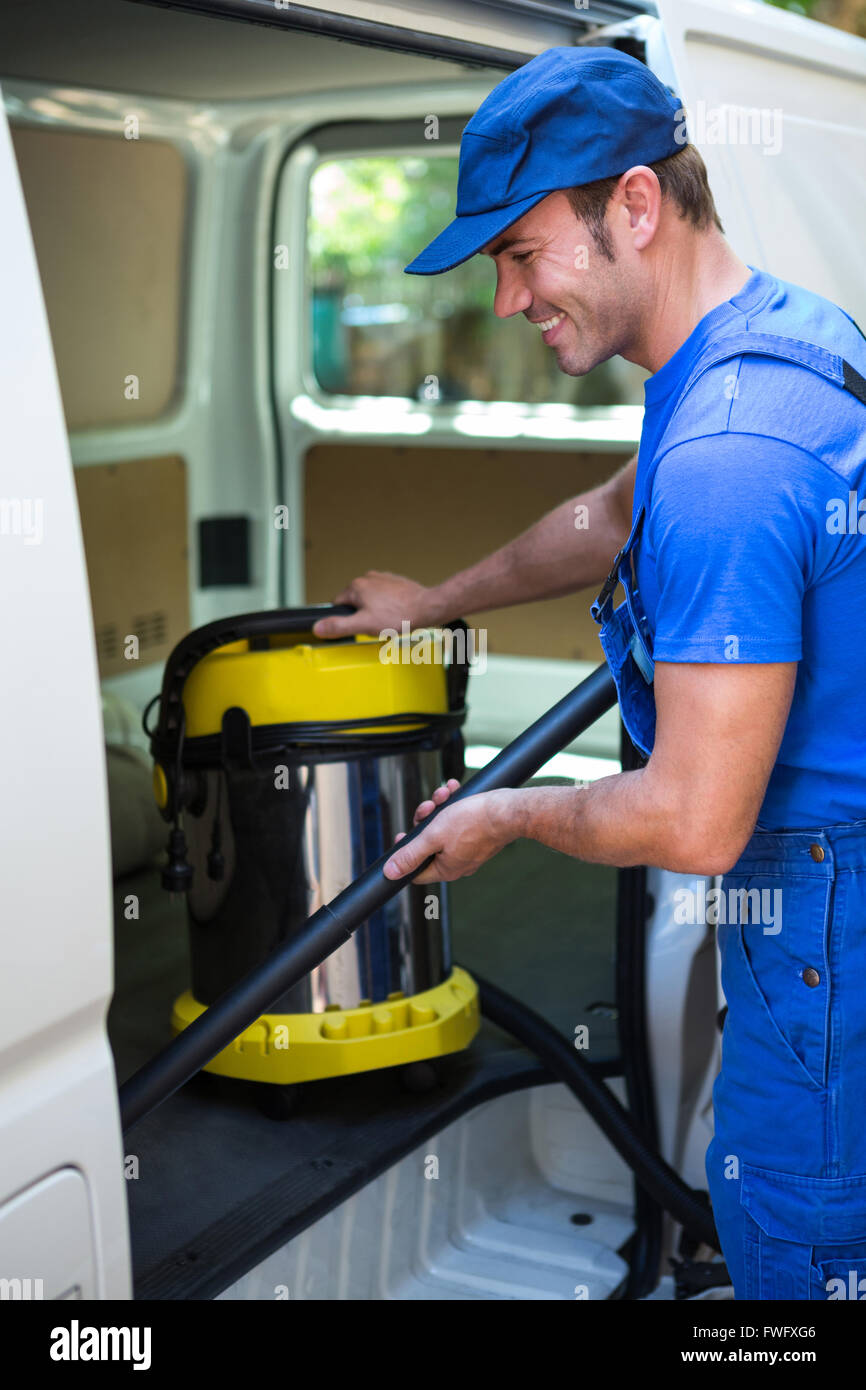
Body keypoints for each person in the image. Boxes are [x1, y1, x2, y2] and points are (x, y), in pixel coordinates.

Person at [311, 47, 866, 1300]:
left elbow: (691, 816)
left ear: (632, 204)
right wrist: (433, 604)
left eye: (519, 253)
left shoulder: (730, 453)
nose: (505, 299)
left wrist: (504, 815)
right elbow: (616, 512)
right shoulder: (768, 335)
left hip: (826, 910)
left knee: (799, 1232)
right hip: (829, 891)